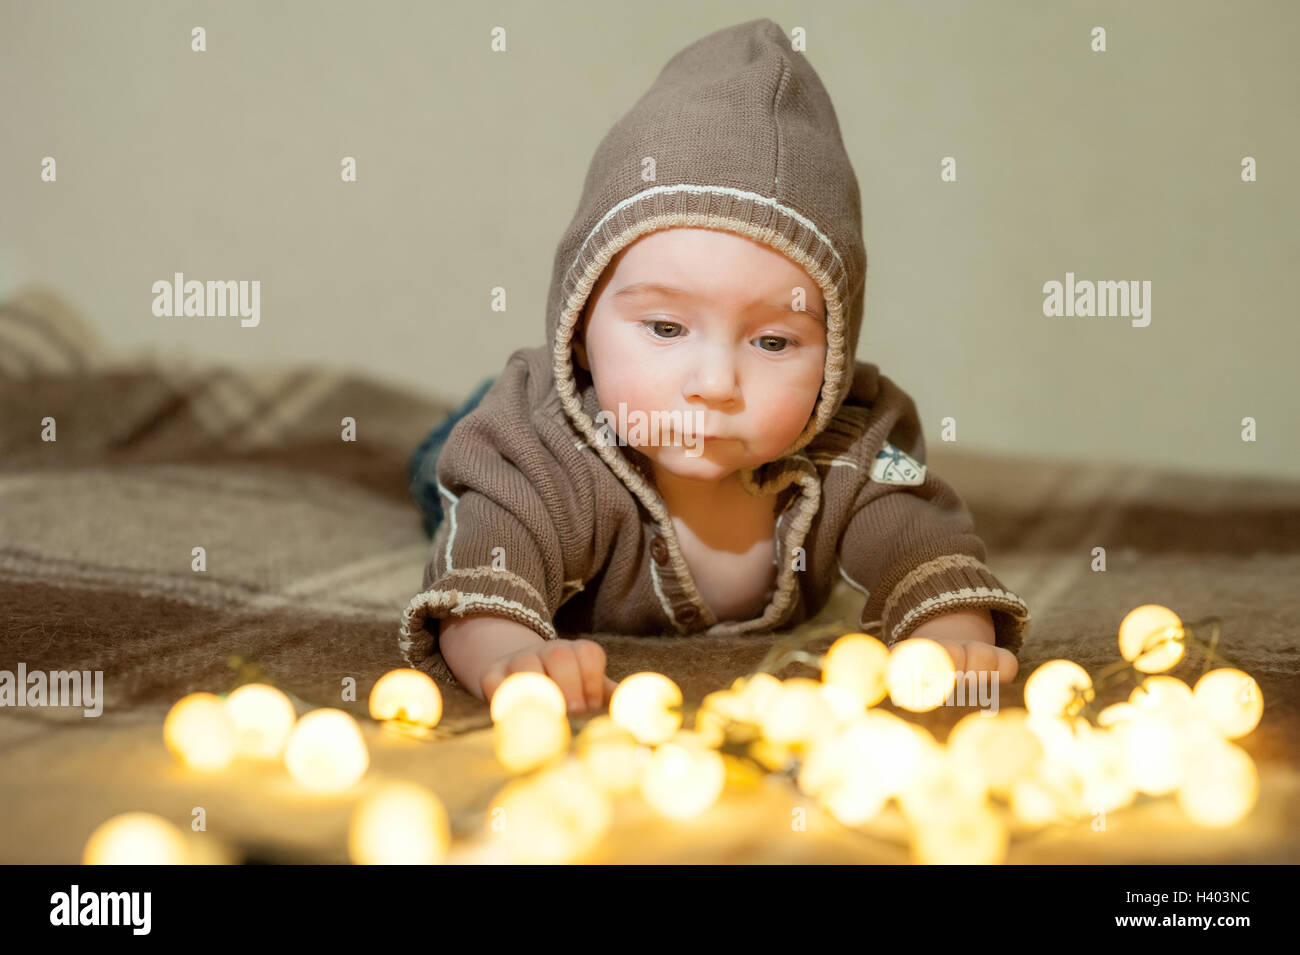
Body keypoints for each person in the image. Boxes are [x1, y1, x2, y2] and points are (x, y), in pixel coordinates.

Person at [402, 18, 1031, 714]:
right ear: (577, 326)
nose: (715, 384)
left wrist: (947, 633)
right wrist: (509, 649)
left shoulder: (850, 453)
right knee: (452, 468)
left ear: (836, 355)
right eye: (666, 327)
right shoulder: (543, 453)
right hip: (499, 428)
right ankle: (445, 433)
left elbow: (928, 548)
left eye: (772, 342)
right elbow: (482, 573)